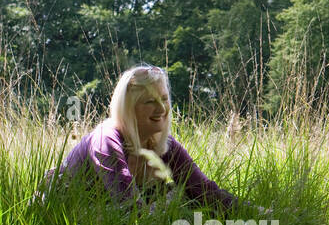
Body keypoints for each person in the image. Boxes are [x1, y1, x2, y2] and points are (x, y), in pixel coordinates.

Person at [40, 65, 239, 210]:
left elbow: (205, 192)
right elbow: (126, 203)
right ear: (129, 108)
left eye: (163, 99)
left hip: (111, 222)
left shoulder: (165, 145)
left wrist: (259, 213)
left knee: (184, 198)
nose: (162, 109)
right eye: (150, 101)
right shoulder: (106, 139)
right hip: (64, 219)